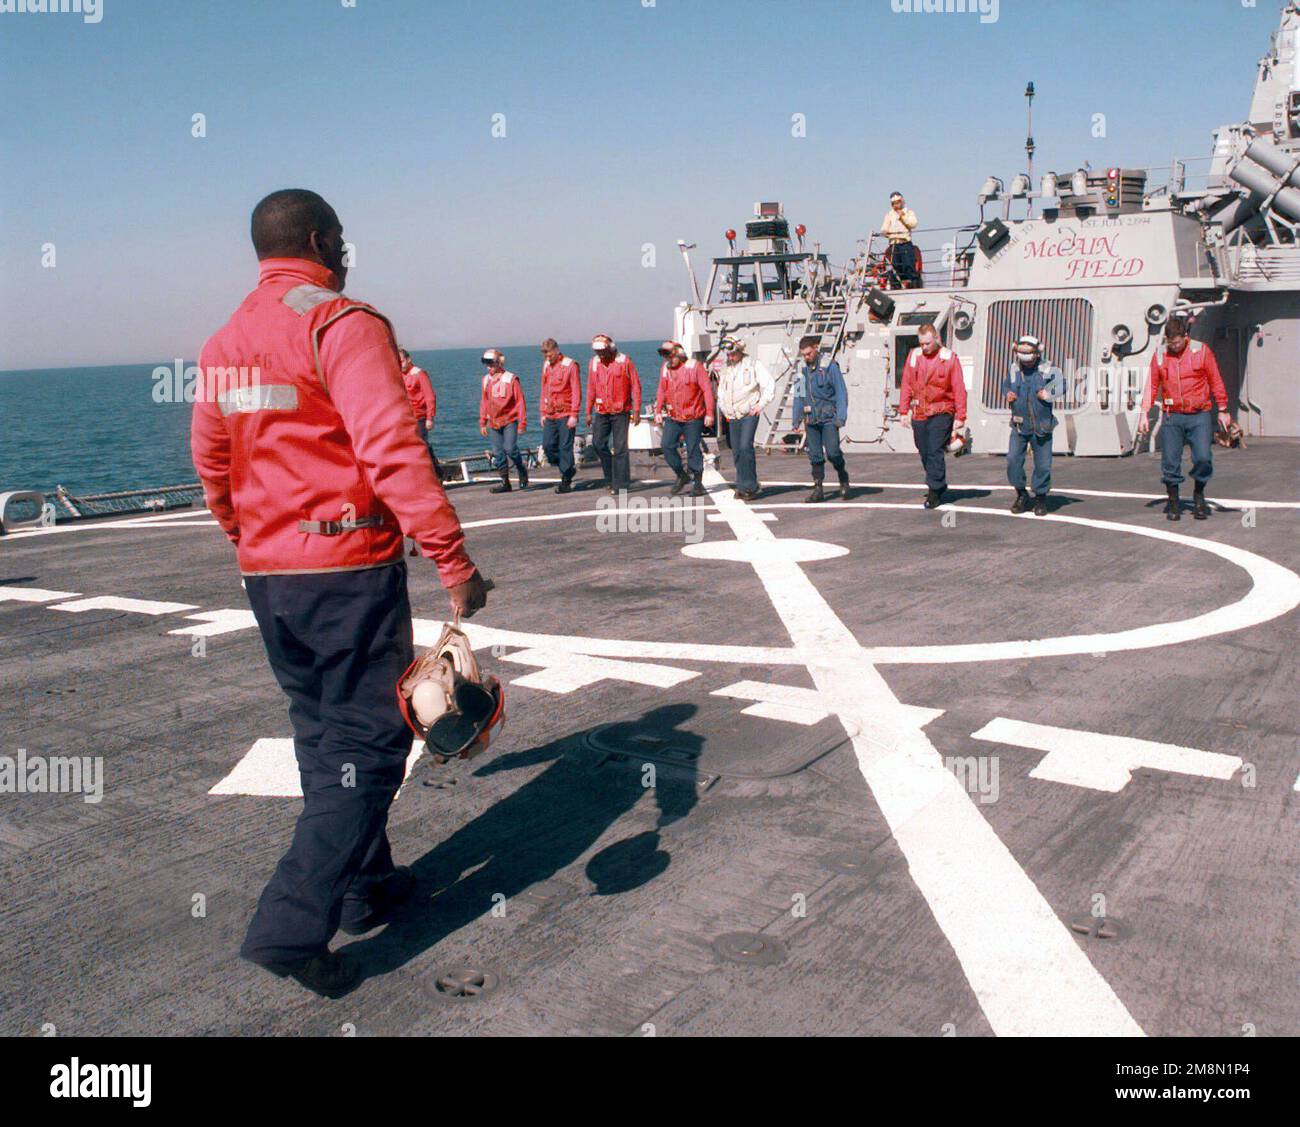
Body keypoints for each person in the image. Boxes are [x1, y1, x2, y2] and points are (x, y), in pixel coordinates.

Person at [191, 188, 489, 998]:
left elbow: (212, 460)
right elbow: (390, 447)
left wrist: (249, 538)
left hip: (270, 577)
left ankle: (363, 887)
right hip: (347, 570)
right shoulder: (341, 323)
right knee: (366, 744)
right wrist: (453, 559)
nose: (347, 251)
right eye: (342, 239)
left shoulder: (225, 343)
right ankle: (290, 928)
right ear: (321, 239)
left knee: (325, 736)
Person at [1137, 318, 1231, 521]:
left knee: (1203, 458)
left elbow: (1215, 379)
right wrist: (1144, 413)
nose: (1174, 347)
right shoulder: (1161, 355)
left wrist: (1223, 408)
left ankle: (1199, 494)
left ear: (1186, 338)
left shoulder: (1202, 351)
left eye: (1178, 343)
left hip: (1199, 415)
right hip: (1173, 416)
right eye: (1171, 343)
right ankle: (1173, 501)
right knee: (1170, 461)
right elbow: (1152, 385)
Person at [897, 323, 967, 508]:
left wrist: (960, 416)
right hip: (920, 412)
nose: (924, 347)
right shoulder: (914, 356)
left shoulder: (949, 358)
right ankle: (939, 483)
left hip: (942, 411)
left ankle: (934, 490)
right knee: (924, 450)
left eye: (927, 343)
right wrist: (903, 410)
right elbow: (907, 384)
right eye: (921, 344)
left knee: (935, 449)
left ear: (936, 339)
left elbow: (959, 388)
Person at [1003, 334, 1063, 515]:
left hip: (1042, 426)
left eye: (1029, 358)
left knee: (1043, 465)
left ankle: (1041, 498)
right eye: (1023, 358)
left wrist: (1048, 393)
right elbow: (1006, 386)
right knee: (1013, 460)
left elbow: (1062, 385)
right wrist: (1008, 394)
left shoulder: (1049, 369)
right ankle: (1021, 494)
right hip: (1020, 425)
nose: (1026, 362)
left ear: (1037, 354)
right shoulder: (1014, 369)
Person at [715, 335, 775, 501]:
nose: (730, 357)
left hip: (749, 413)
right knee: (736, 451)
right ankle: (744, 484)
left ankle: (749, 486)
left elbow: (768, 384)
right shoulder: (726, 369)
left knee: (745, 447)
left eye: (733, 354)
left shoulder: (754, 365)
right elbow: (721, 392)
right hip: (732, 416)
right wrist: (724, 409)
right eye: (728, 355)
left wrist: (760, 405)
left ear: (740, 351)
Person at [792, 335, 850, 503]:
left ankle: (842, 475)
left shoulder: (830, 366)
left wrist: (841, 417)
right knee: (815, 455)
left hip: (829, 418)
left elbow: (841, 392)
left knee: (832, 452)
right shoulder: (801, 370)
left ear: (816, 348)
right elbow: (798, 395)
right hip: (811, 419)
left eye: (809, 353)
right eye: (803, 354)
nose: (806, 357)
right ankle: (818, 489)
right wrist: (796, 419)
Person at [653, 341, 714, 497]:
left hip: (693, 417)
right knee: (666, 446)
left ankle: (697, 483)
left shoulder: (695, 367)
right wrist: (658, 410)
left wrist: (710, 414)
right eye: (665, 357)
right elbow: (662, 390)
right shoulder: (665, 370)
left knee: (693, 449)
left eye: (670, 356)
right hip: (673, 417)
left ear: (679, 354)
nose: (667, 360)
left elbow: (707, 390)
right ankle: (681, 474)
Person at [585, 334, 641, 494]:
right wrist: (587, 411)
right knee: (598, 443)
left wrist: (636, 409)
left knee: (620, 447)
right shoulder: (594, 363)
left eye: (602, 351)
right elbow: (591, 388)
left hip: (621, 411)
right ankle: (611, 476)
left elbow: (635, 386)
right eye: (597, 352)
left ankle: (621, 484)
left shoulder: (624, 361)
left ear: (610, 348)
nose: (600, 355)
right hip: (602, 411)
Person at [478, 348, 529, 494]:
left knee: (510, 449)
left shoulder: (511, 379)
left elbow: (520, 401)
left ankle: (521, 469)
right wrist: (482, 421)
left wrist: (522, 422)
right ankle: (505, 482)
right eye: (486, 363)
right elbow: (484, 401)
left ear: (499, 362)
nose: (489, 367)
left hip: (509, 420)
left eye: (491, 363)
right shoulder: (486, 380)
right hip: (493, 422)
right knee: (498, 452)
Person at [539, 338, 581, 494]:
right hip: (550, 413)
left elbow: (576, 390)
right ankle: (567, 468)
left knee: (565, 447)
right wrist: (542, 412)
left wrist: (574, 414)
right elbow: (544, 389)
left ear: (556, 350)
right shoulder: (546, 366)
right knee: (548, 446)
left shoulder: (570, 365)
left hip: (565, 412)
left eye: (549, 354)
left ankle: (566, 479)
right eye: (545, 355)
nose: (547, 358)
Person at [398, 348, 439, 476]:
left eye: (402, 361)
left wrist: (429, 417)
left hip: (419, 416)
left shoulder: (419, 374)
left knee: (422, 446)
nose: (400, 364)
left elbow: (429, 396)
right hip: (405, 418)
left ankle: (435, 474)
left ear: (408, 359)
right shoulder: (398, 375)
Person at [881, 191, 920, 288]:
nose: (896, 204)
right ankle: (896, 288)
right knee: (894, 268)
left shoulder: (909, 212)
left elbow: (913, 224)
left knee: (908, 266)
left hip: (905, 243)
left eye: (898, 202)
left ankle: (912, 287)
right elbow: (884, 228)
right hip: (894, 244)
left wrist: (902, 216)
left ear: (902, 201)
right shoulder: (889, 215)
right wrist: (886, 232)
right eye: (894, 203)